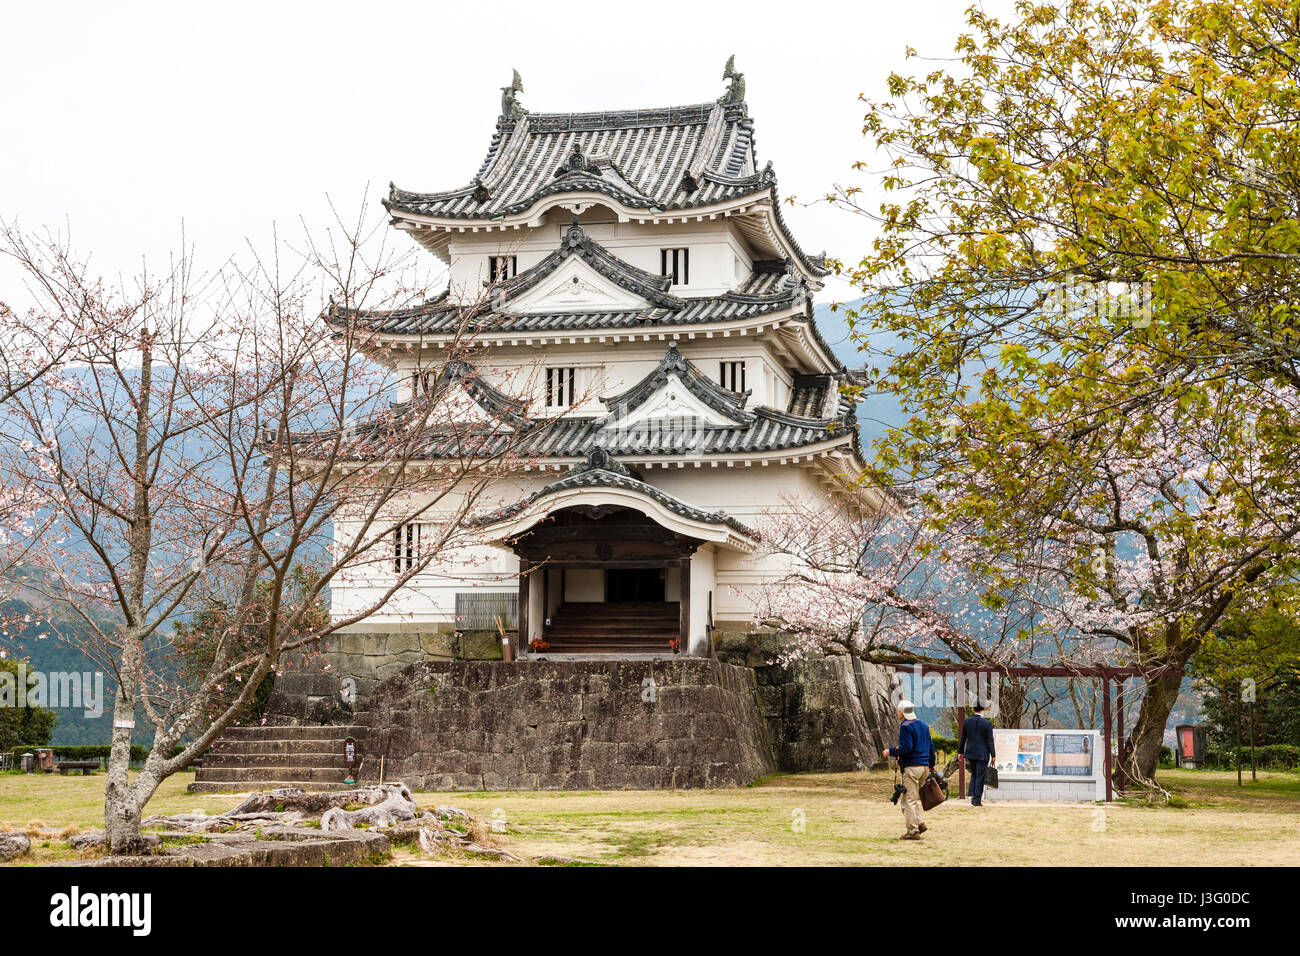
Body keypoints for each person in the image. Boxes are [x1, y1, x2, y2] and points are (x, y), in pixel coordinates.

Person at [881, 699, 936, 840]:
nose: (897, 714)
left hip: (912, 767)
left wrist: (890, 751)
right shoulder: (923, 725)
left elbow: (907, 748)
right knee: (912, 798)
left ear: (901, 713)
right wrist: (931, 764)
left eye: (897, 712)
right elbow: (931, 746)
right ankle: (920, 823)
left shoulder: (905, 726)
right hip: (924, 767)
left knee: (907, 801)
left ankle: (913, 831)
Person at [958, 702, 996, 806]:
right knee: (980, 776)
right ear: (983, 709)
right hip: (982, 754)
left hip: (970, 753)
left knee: (974, 774)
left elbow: (963, 738)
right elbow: (990, 741)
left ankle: (972, 795)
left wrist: (960, 752)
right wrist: (993, 755)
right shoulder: (987, 723)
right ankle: (976, 800)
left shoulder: (966, 721)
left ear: (973, 709)